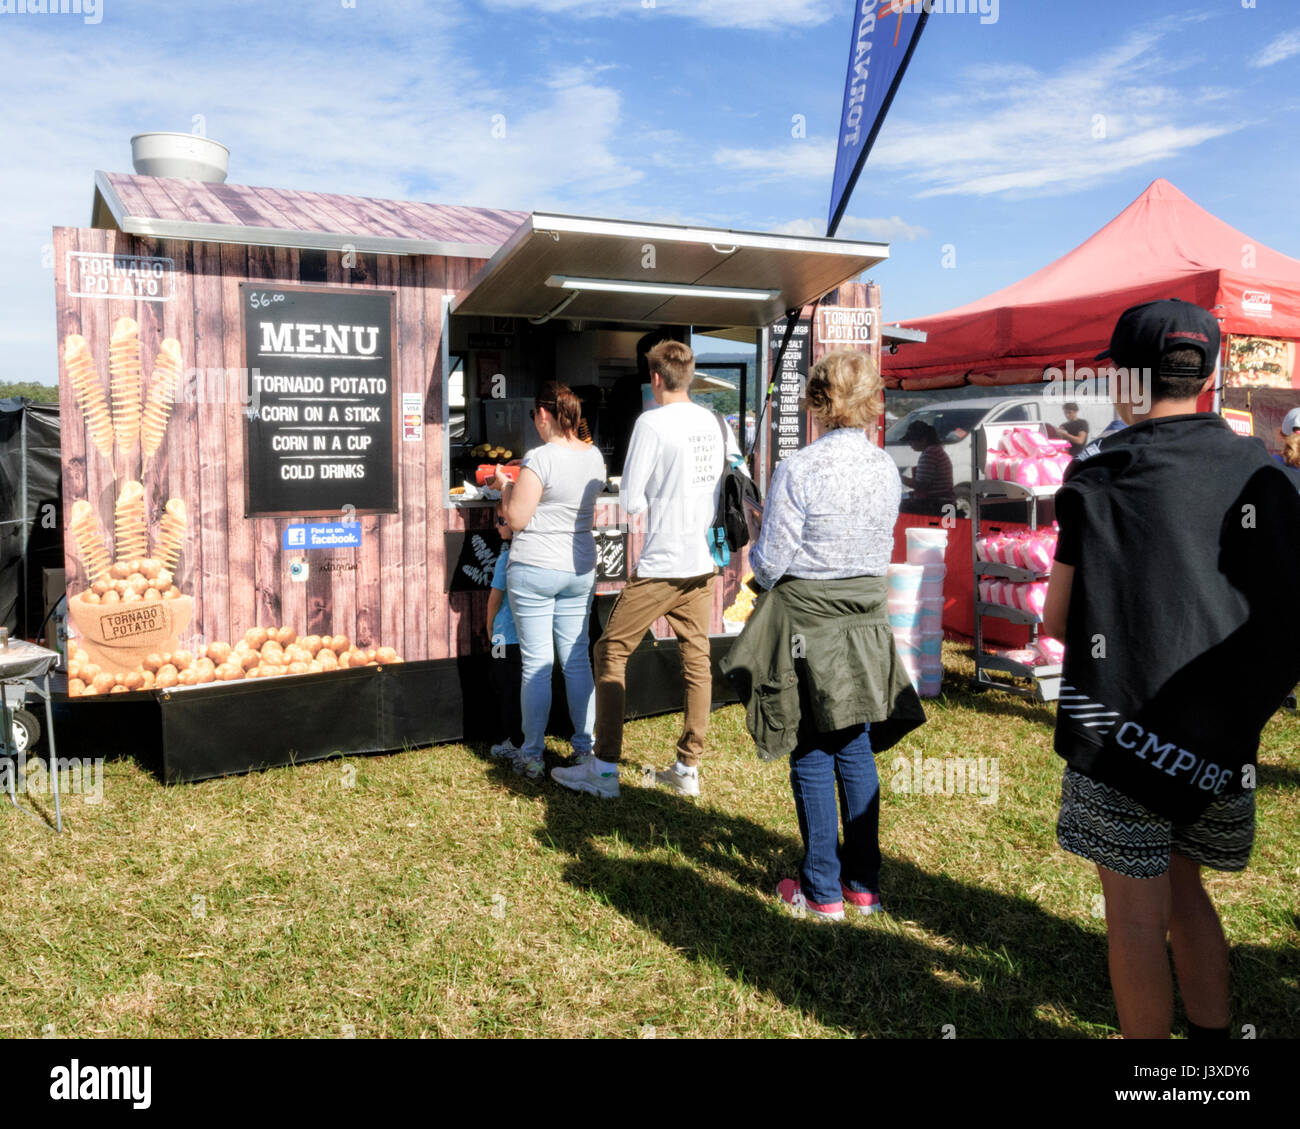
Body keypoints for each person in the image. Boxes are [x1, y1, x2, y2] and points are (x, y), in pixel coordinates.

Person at [1042, 299, 1300, 1039]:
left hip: (1118, 735)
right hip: (1218, 745)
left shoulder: (1099, 473)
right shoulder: (1261, 471)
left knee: (1132, 918)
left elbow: (1059, 619)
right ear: (1212, 372)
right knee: (1186, 889)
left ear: (1126, 378)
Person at [721, 350, 925, 921]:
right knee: (855, 744)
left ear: (815, 403)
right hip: (864, 617)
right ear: (869, 402)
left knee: (810, 746)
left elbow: (772, 562)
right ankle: (864, 886)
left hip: (807, 619)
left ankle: (822, 891)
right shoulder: (885, 466)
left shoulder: (799, 469)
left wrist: (755, 559)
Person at [551, 340, 740, 800]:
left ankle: (605, 769)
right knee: (697, 660)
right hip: (704, 561)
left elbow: (632, 500)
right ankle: (688, 767)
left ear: (654, 378)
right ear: (689, 376)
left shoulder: (651, 423)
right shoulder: (716, 421)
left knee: (610, 651)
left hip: (662, 563)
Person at [492, 383, 606, 780]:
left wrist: (505, 485)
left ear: (544, 415)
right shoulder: (594, 456)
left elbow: (518, 519)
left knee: (537, 664)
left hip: (536, 566)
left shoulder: (539, 458)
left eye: (534, 418)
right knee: (576, 661)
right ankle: (584, 749)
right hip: (579, 567)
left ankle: (533, 754)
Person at [486, 502, 525, 760]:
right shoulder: (529, 556)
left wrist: (489, 627)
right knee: (522, 686)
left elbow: (494, 599)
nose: (497, 527)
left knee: (504, 685)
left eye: (501, 521)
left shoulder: (505, 559)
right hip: (526, 638)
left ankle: (512, 740)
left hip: (502, 637)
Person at [897, 421, 955, 514]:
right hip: (942, 503)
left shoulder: (930, 453)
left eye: (911, 440)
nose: (910, 444)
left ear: (923, 439)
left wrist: (897, 476)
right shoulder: (935, 451)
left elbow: (921, 485)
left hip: (935, 505)